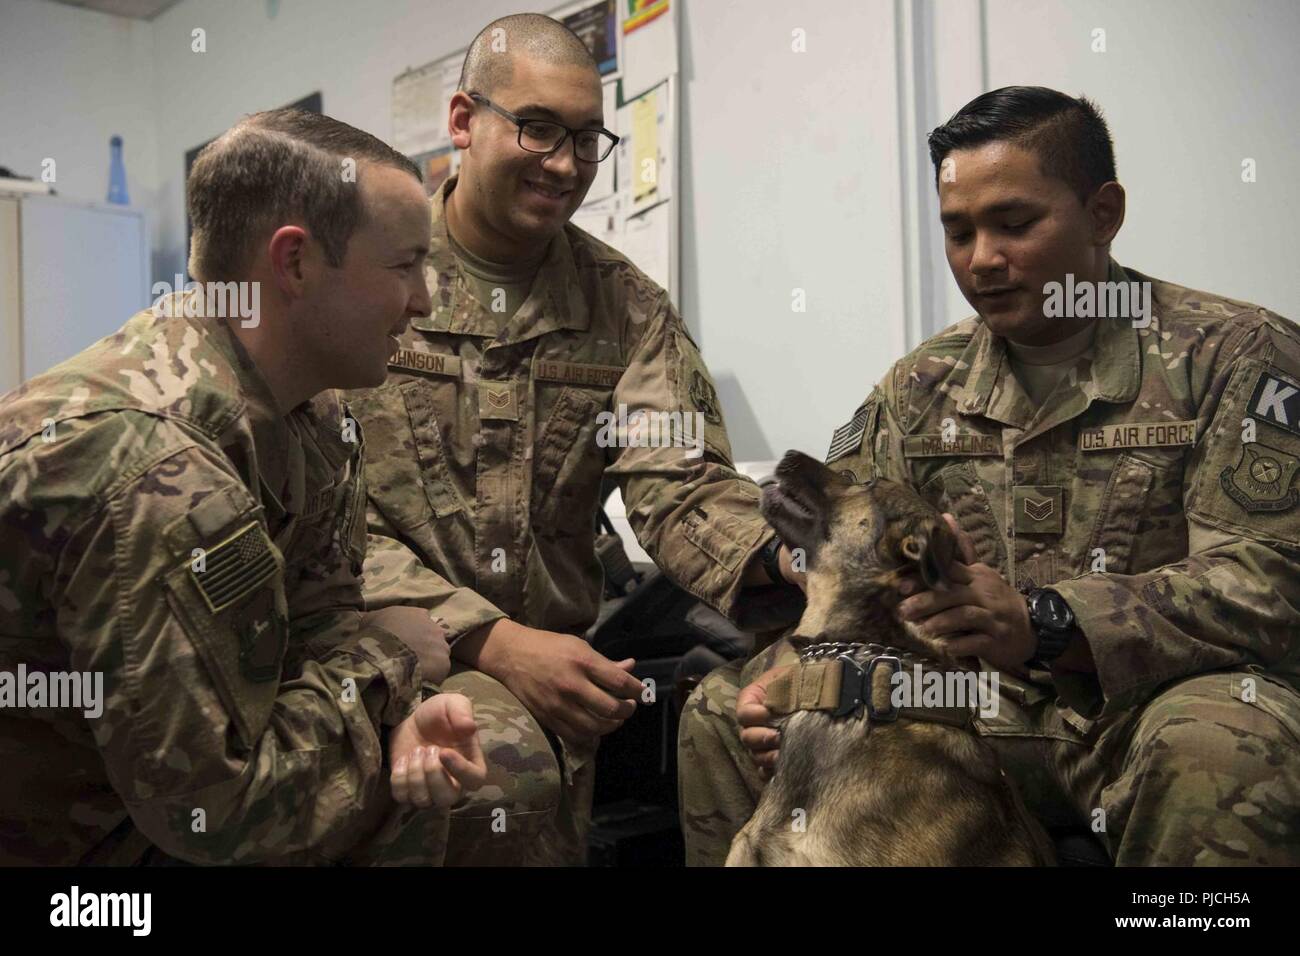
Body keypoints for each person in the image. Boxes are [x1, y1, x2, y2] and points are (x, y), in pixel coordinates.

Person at [679, 86, 1300, 866]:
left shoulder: (1237, 356)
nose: (982, 259)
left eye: (1015, 223)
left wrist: (1050, 621)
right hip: (964, 704)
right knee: (721, 707)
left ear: (1102, 213)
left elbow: (1267, 581)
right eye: (959, 231)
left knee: (1223, 746)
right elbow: (836, 537)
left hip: (1143, 713)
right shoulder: (920, 385)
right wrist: (799, 678)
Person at [350, 13, 802, 864]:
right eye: (538, 129)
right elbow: (316, 513)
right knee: (492, 771)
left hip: (549, 679)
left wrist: (783, 556)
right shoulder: (373, 276)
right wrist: (487, 638)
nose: (565, 163)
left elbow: (680, 484)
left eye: (588, 138)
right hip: (369, 644)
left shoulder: (623, 306)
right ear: (462, 122)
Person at [0, 109, 487, 865]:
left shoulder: (309, 412)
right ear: (293, 263)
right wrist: (390, 663)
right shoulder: (157, 476)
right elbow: (214, 815)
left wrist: (394, 718)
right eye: (403, 267)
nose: (423, 301)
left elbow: (315, 630)